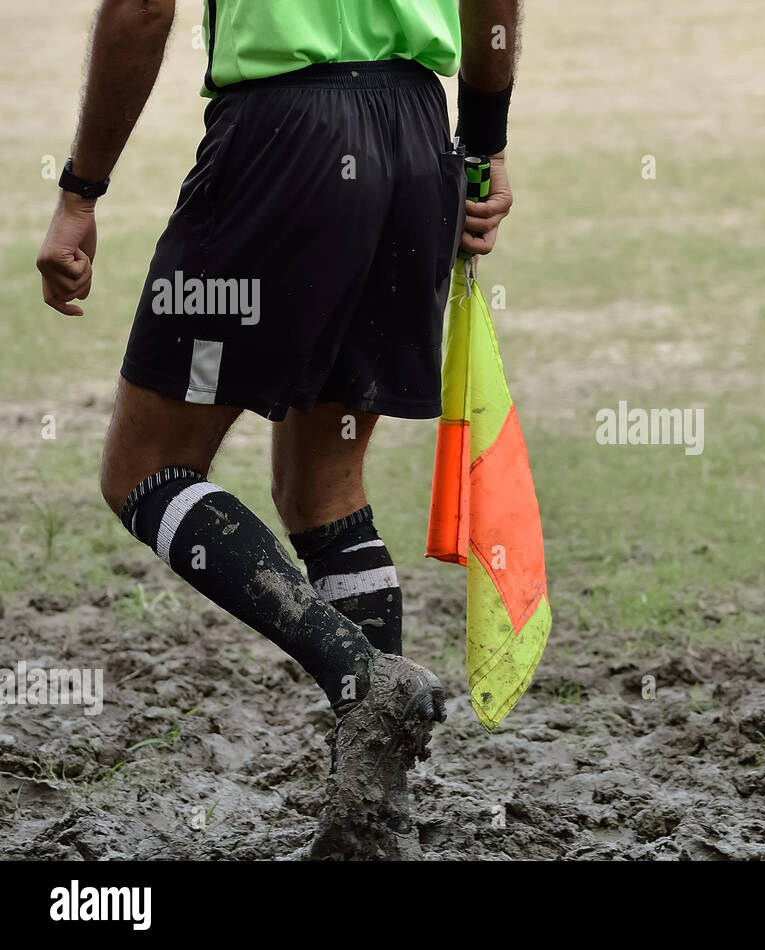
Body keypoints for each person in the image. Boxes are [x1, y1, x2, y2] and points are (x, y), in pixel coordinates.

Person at [35, 0, 521, 860]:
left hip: (282, 143)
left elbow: (143, 8)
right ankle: (372, 822)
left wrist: (81, 191)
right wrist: (482, 142)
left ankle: (365, 681)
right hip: (416, 139)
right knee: (322, 489)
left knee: (145, 470)